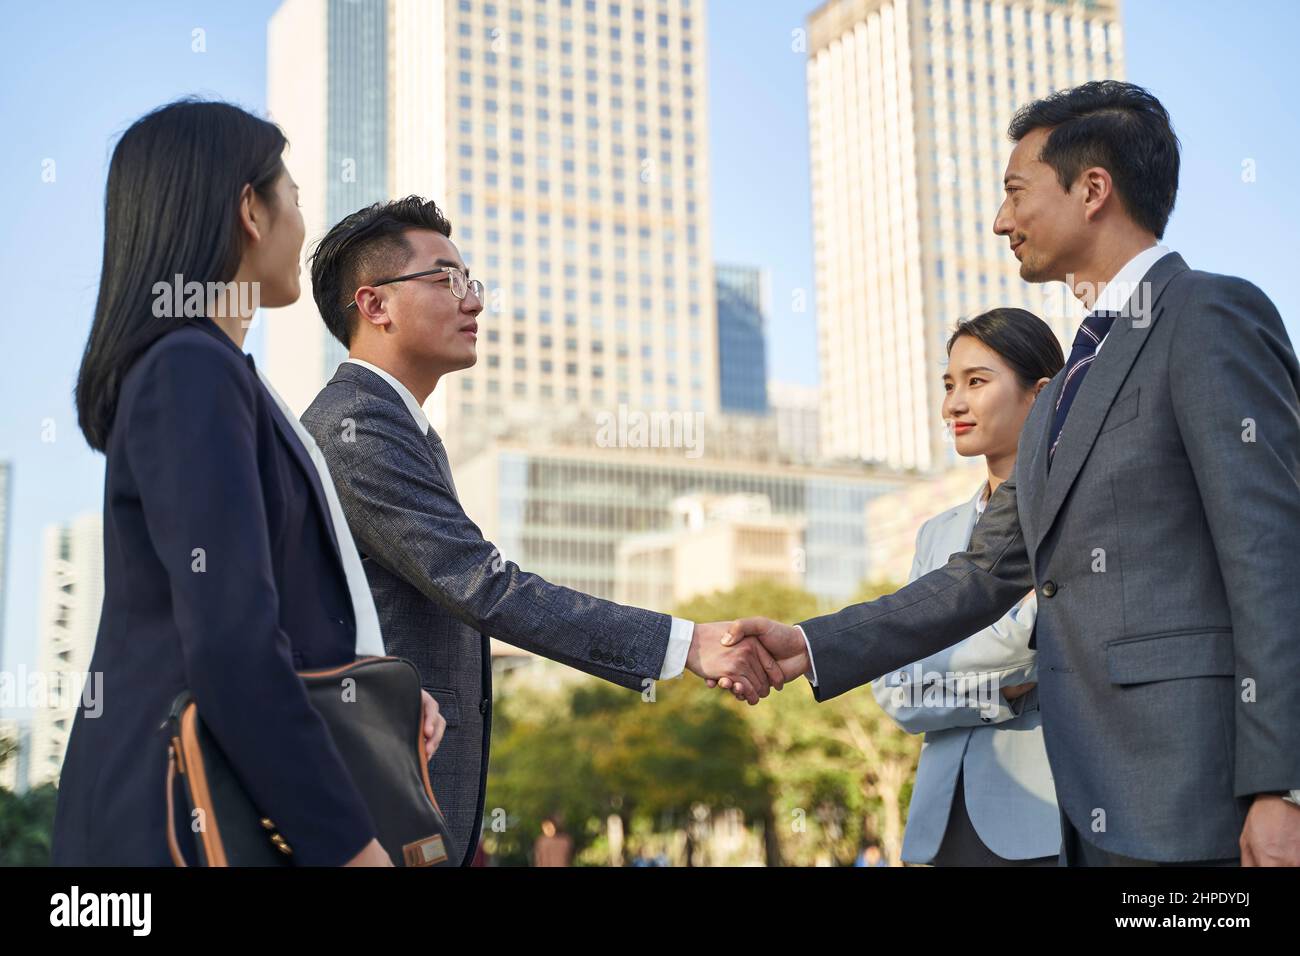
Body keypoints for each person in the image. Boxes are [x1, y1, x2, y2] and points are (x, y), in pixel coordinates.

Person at [727, 80, 1300, 866]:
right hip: (1083, 813)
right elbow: (981, 574)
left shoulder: (1208, 317)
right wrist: (809, 644)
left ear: (1093, 189)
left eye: (1015, 193)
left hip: (1201, 804)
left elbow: (1274, 559)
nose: (1000, 221)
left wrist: (1283, 787)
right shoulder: (1065, 390)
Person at [299, 196, 787, 864]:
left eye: (471, 283)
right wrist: (685, 642)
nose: (473, 302)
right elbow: (484, 587)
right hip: (379, 800)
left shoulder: (404, 428)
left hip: (416, 796)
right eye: (448, 281)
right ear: (375, 305)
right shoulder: (356, 427)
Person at [53, 99, 443, 867]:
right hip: (173, 824)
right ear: (249, 211)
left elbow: (271, 621)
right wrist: (349, 849)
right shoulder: (190, 370)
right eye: (292, 195)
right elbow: (233, 646)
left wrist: (374, 699)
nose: (303, 221)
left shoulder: (217, 375)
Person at [871, 309, 1063, 867]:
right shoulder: (937, 534)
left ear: (1041, 394)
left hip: (1041, 820)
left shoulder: (1075, 517)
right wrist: (991, 697)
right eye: (949, 385)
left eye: (976, 382)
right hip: (938, 826)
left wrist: (932, 659)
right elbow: (893, 691)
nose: (953, 404)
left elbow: (1036, 648)